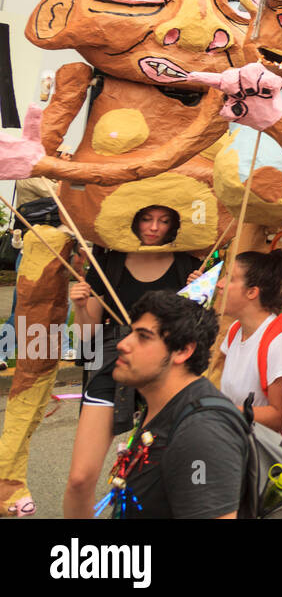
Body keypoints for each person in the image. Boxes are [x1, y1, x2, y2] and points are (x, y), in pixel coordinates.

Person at [64, 204, 199, 518]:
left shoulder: (189, 266)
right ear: (133, 220)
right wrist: (81, 306)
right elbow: (86, 337)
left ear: (174, 226)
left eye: (164, 221)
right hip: (113, 364)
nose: (154, 227)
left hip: (167, 372)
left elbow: (200, 334)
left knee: (160, 477)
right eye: (147, 219)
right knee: (80, 479)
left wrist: (202, 291)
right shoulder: (107, 263)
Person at [112, 292, 248, 518]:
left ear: (184, 350)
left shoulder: (201, 432)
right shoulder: (162, 406)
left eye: (143, 336)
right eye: (131, 333)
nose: (123, 344)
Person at [216, 249, 282, 433]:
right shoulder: (234, 331)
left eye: (230, 278)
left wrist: (223, 411)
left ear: (252, 292)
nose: (220, 285)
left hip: (260, 455)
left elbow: (281, 417)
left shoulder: (279, 343)